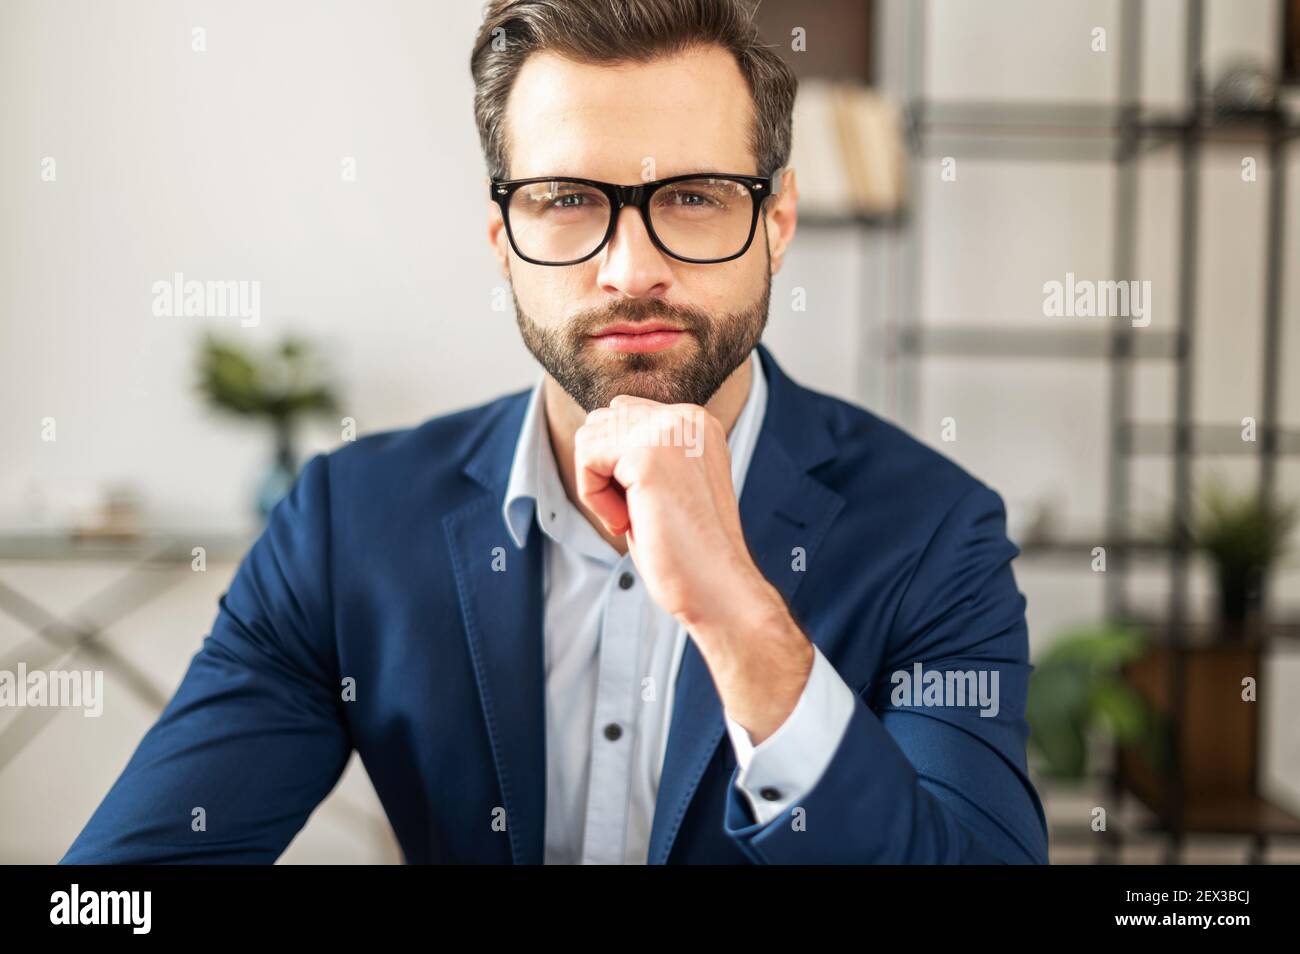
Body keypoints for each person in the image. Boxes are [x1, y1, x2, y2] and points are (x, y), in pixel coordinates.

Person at [62, 0, 1048, 864]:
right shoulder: (344, 526)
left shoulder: (933, 534)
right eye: (569, 201)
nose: (629, 270)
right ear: (504, 241)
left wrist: (744, 624)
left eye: (694, 196)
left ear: (777, 219)